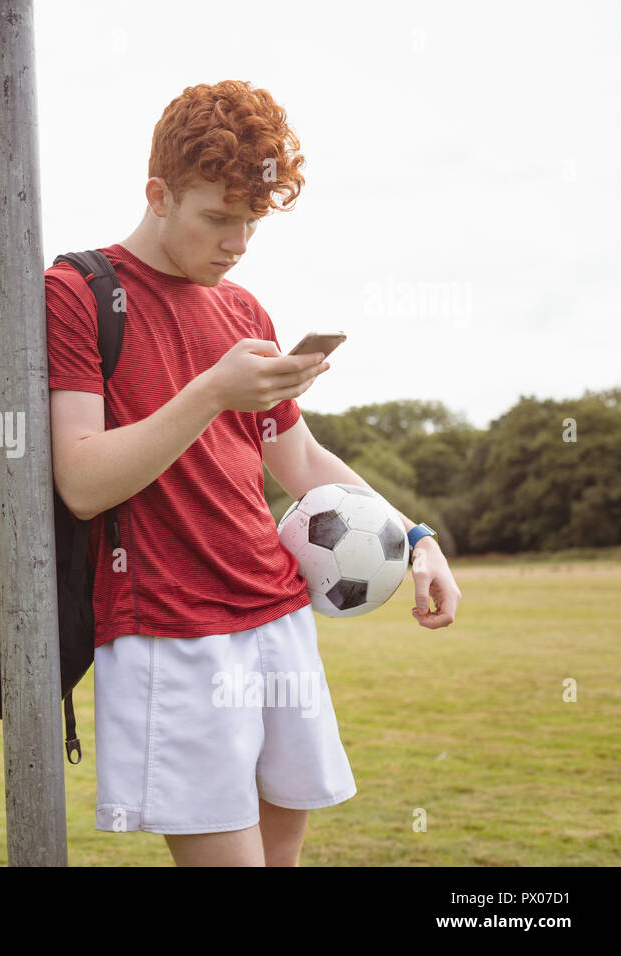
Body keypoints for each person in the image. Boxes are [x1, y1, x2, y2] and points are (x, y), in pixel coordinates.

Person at [45, 80, 462, 866]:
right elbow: (83, 480)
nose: (236, 243)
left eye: (253, 221)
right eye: (218, 218)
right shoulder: (77, 292)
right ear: (158, 194)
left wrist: (414, 535)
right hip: (172, 631)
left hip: (278, 616)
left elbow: (299, 462)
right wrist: (211, 393)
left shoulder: (244, 311)